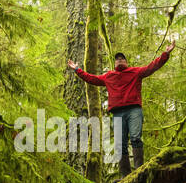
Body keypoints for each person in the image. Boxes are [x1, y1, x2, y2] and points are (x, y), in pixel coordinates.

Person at [67, 44, 175, 175]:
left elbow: (152, 66)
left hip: (134, 110)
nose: (119, 60)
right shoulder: (109, 76)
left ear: (126, 62)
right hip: (118, 113)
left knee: (135, 137)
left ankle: (140, 171)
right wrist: (77, 69)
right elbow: (91, 79)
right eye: (117, 59)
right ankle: (125, 176)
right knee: (120, 144)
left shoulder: (135, 72)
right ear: (114, 63)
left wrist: (166, 54)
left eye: (122, 58)